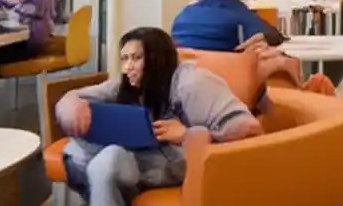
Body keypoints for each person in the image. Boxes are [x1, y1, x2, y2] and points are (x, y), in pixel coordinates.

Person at [57, 27, 262, 205]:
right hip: (146, 154)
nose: (128, 67)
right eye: (124, 59)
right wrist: (71, 105)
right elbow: (75, 97)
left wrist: (186, 135)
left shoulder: (193, 84)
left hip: (185, 160)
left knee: (104, 164)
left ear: (157, 59)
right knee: (77, 152)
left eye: (136, 58)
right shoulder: (131, 83)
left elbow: (251, 131)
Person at [171, 0, 281, 52]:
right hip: (222, 72)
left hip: (184, 71)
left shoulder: (184, 13)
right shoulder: (237, 11)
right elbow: (272, 35)